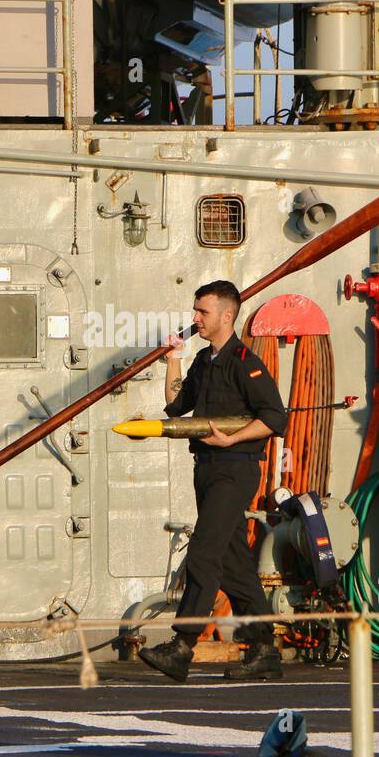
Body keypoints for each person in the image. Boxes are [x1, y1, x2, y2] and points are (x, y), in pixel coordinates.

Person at [137, 280, 289, 682]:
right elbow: (176, 405)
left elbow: (275, 416)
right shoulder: (205, 361)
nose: (196, 318)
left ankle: (182, 646)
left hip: (234, 469)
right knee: (233, 562)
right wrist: (174, 359)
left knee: (204, 552)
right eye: (195, 311)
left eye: (202, 312)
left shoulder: (245, 363)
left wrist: (233, 437)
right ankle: (263, 649)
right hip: (205, 468)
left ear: (226, 315)